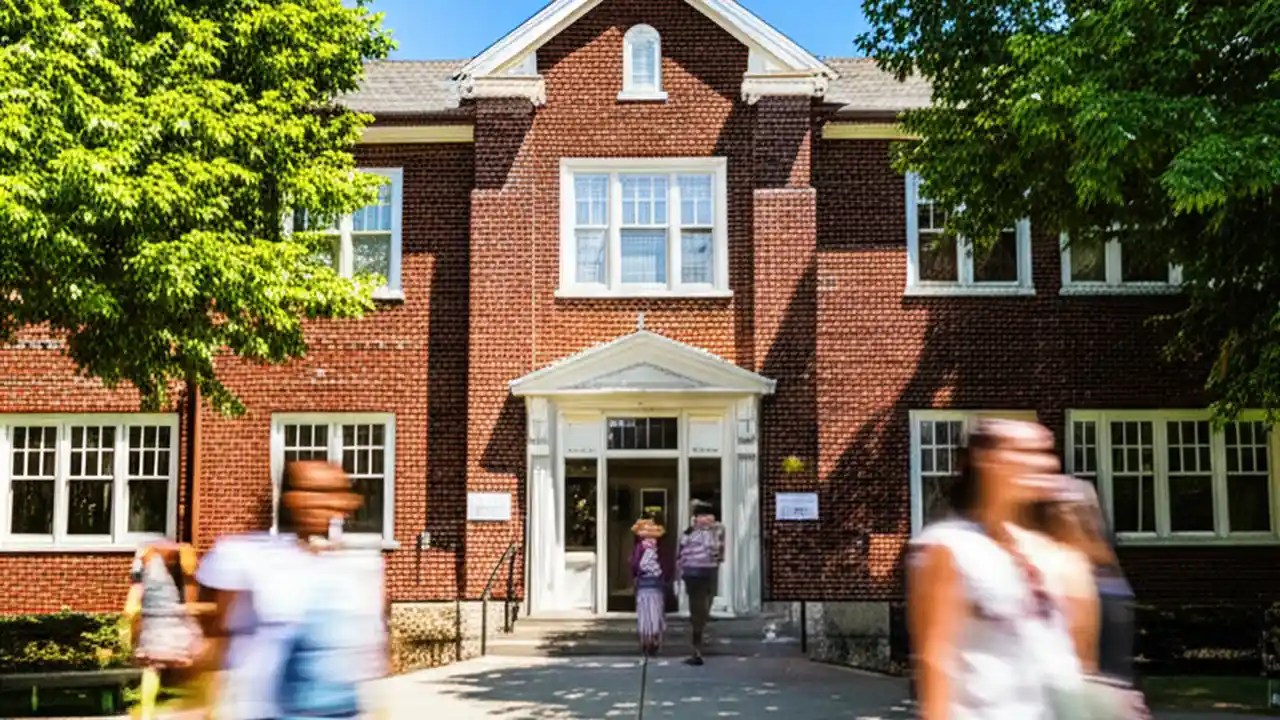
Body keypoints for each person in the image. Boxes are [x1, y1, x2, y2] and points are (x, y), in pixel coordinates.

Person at [907, 418, 1083, 720]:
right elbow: (935, 662)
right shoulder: (949, 548)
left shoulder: (1051, 554)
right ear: (986, 459)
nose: (1044, 463)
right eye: (1026, 452)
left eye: (1045, 452)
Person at [197, 461, 388, 720]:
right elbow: (213, 642)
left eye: (330, 492)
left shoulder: (360, 571)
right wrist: (207, 703)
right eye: (309, 491)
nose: (316, 502)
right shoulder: (243, 559)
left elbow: (368, 661)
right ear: (287, 497)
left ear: (347, 502)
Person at [1029, 478, 1150, 718]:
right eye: (1074, 509)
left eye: (1087, 507)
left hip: (1112, 692)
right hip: (1082, 693)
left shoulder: (1098, 559)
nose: (1085, 514)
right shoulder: (1057, 565)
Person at [124, 540, 204, 720]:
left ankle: (147, 713)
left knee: (153, 668)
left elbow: (135, 593)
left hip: (157, 621)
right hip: (166, 619)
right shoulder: (163, 561)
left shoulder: (148, 560)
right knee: (191, 660)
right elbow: (190, 585)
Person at [676, 499, 724, 666]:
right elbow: (720, 554)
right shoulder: (712, 532)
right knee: (700, 611)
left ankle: (697, 648)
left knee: (698, 612)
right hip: (702, 573)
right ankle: (697, 648)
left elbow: (680, 554)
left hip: (696, 573)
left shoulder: (695, 533)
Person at [630, 518, 670, 657]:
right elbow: (666, 565)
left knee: (644, 612)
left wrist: (635, 576)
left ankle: (645, 642)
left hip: (643, 583)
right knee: (656, 611)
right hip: (657, 583)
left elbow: (635, 564)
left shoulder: (640, 547)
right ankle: (656, 640)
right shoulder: (659, 547)